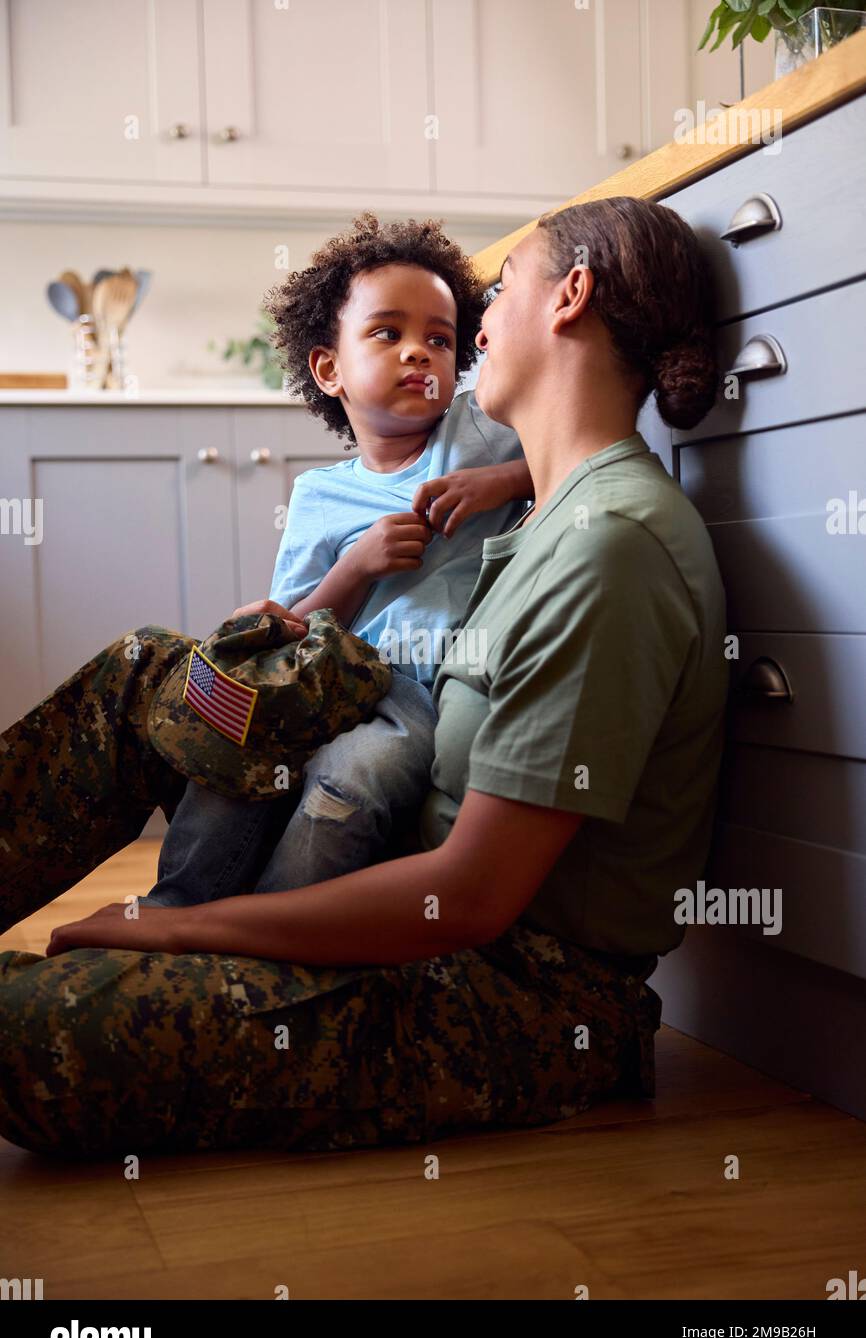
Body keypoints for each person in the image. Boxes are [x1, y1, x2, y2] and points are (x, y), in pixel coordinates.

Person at [0, 197, 728, 1160]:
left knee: (21, 1027)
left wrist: (187, 932)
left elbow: (468, 897)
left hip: (498, 989)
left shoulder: (608, 549)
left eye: (498, 290)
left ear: (570, 298)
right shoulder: (550, 512)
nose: (473, 330)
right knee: (145, 673)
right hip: (405, 900)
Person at [140, 214, 532, 910]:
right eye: (389, 333)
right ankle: (179, 915)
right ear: (329, 369)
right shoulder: (317, 495)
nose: (419, 353)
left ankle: (269, 942)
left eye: (439, 340)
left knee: (355, 780)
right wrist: (356, 566)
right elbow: (293, 628)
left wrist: (497, 484)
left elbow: (569, 455)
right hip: (320, 681)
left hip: (412, 699)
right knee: (236, 760)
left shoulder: (481, 431)